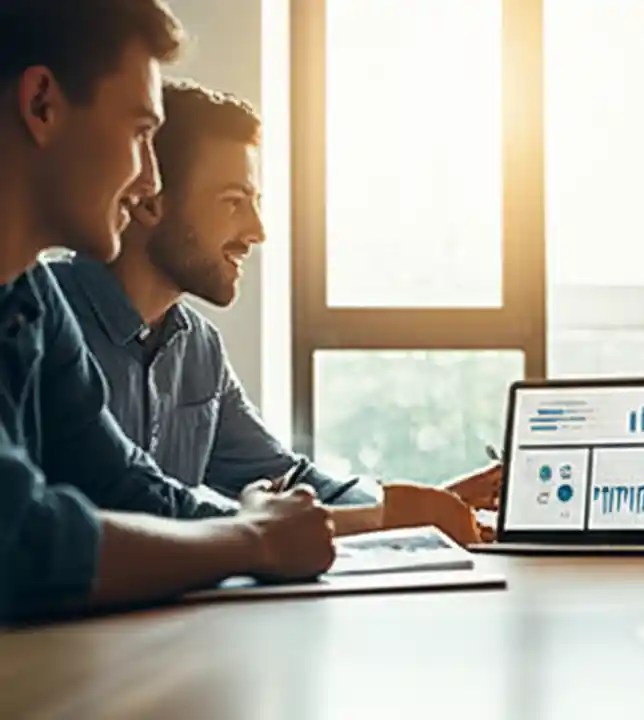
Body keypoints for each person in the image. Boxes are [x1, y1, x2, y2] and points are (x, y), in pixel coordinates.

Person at [51, 79, 497, 543]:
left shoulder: (198, 348)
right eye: (233, 202)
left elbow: (285, 478)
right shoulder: (44, 321)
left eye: (256, 203)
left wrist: (415, 510)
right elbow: (133, 504)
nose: (257, 231)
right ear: (150, 200)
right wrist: (380, 518)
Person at [0, 0, 333, 620]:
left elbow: (129, 488)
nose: (150, 180)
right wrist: (252, 538)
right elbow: (21, 541)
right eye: (140, 133)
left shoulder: (33, 301)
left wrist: (253, 520)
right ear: (42, 104)